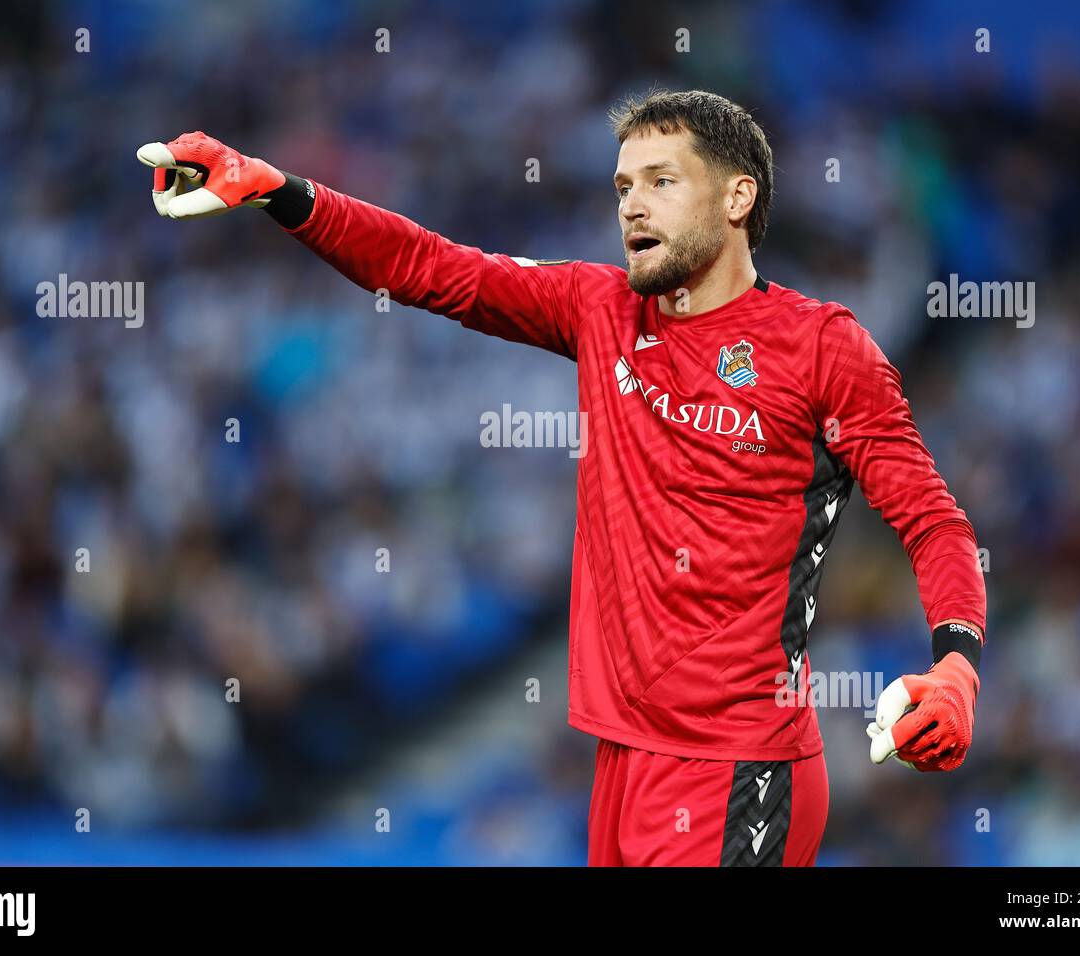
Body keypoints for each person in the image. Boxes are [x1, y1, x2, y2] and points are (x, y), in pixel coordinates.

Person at [137, 88, 987, 867]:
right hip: (621, 756)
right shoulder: (600, 308)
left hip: (737, 766)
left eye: (661, 181)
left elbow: (932, 520)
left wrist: (953, 666)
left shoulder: (822, 347)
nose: (632, 206)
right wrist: (276, 189)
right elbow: (429, 267)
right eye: (622, 187)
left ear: (737, 199)